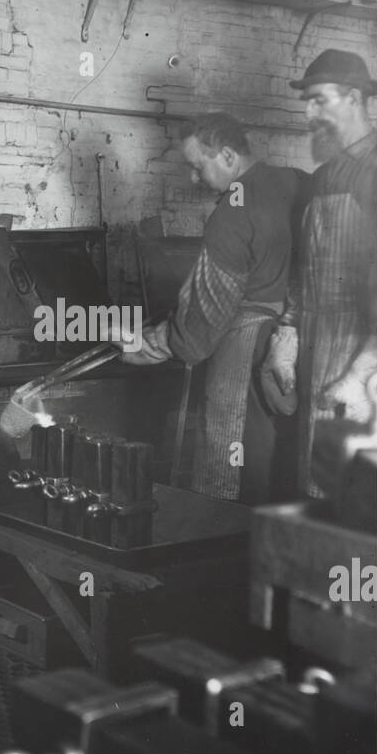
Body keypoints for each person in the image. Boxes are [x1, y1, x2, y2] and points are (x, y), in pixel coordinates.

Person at [122, 113, 308, 503]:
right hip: (287, 348)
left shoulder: (231, 214)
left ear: (226, 155)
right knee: (274, 469)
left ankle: (226, 553)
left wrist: (145, 345)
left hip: (242, 353)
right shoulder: (293, 182)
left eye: (196, 167)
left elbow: (201, 325)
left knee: (231, 475)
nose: (194, 179)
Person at [266, 49, 377, 499]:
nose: (309, 113)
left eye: (319, 101)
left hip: (361, 347)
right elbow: (303, 265)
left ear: (353, 97)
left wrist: (368, 368)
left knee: (353, 489)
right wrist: (288, 333)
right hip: (317, 340)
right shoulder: (321, 178)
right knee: (312, 477)